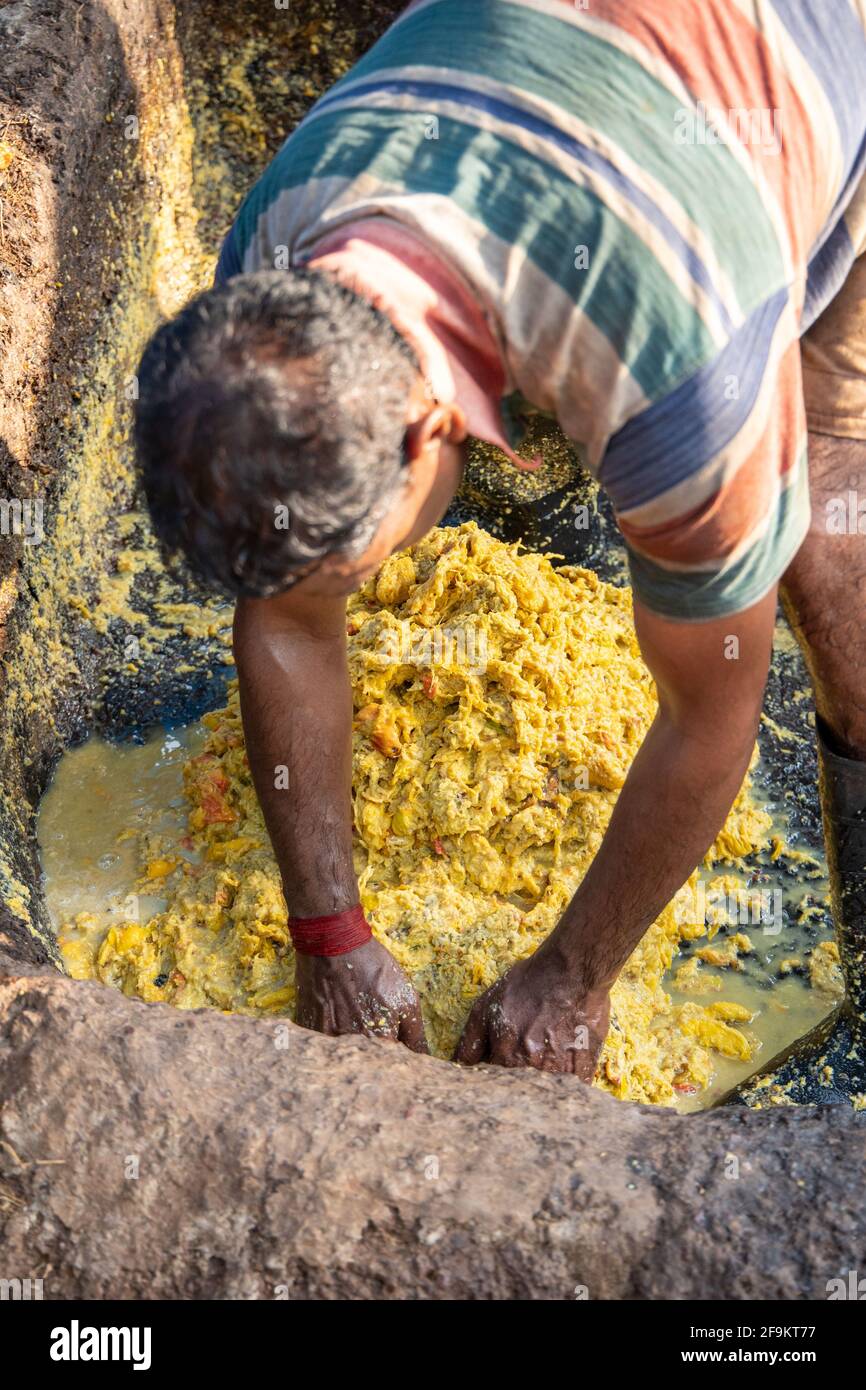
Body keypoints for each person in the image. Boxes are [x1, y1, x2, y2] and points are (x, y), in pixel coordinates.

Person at [134, 0, 866, 1093]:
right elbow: (285, 614)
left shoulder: (682, 384)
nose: (327, 593)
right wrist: (327, 931)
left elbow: (712, 713)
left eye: (349, 565)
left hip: (803, 67)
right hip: (566, 89)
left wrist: (572, 976)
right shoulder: (268, 273)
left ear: (433, 431)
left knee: (825, 506)